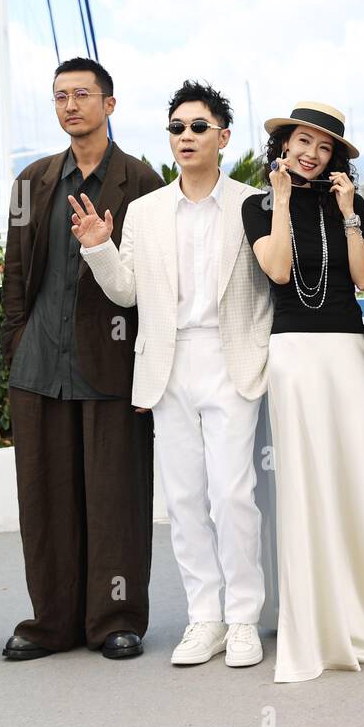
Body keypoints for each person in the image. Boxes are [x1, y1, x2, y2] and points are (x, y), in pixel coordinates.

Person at [76, 81, 271, 668]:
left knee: (233, 494)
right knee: (184, 499)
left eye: (198, 127)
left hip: (232, 359)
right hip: (167, 363)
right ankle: (204, 617)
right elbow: (126, 291)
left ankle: (243, 619)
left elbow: (275, 276)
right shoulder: (145, 210)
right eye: (177, 128)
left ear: (223, 137)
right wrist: (98, 249)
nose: (185, 136)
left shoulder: (254, 203)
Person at [0, 57, 164, 661]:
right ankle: (52, 622)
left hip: (112, 364)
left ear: (109, 105)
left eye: (82, 95)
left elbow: (153, 280)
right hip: (39, 365)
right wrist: (18, 345)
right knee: (44, 497)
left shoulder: (142, 182)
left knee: (116, 495)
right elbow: (15, 272)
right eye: (60, 97)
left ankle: (116, 618)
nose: (70, 106)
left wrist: (146, 364)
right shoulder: (32, 181)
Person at [242, 101, 364, 682]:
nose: (311, 153)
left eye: (323, 146)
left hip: (346, 353)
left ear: (335, 156)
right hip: (294, 356)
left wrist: (349, 215)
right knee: (308, 485)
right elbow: (279, 271)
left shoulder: (350, 202)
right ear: (284, 145)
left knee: (362, 478)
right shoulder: (258, 206)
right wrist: (282, 201)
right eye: (301, 141)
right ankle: (315, 626)